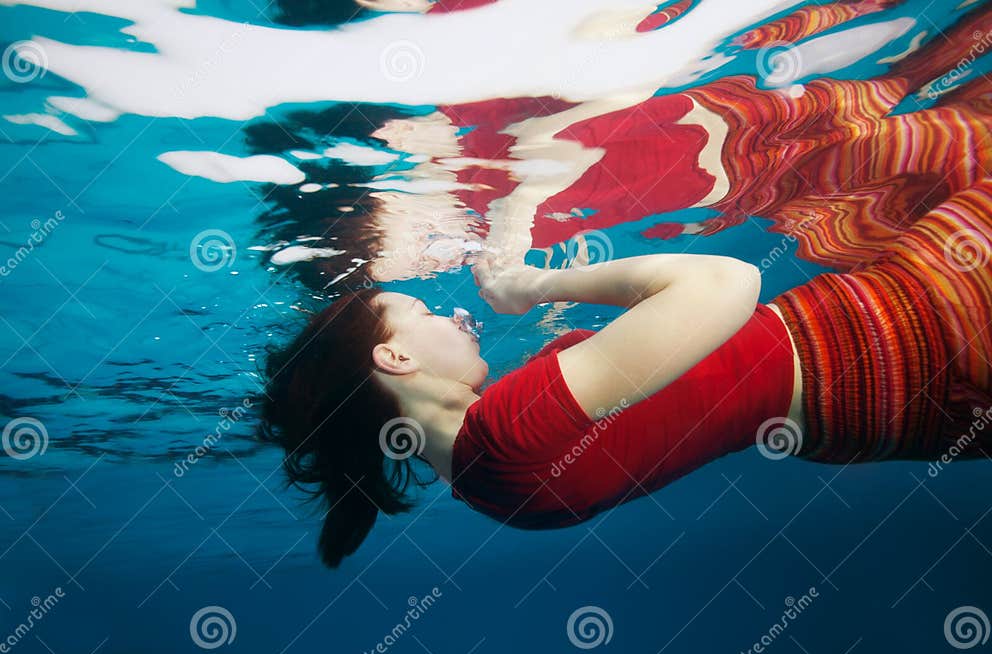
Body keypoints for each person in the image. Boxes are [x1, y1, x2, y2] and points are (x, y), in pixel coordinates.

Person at [257, 178, 992, 569]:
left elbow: (636, 419)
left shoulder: (483, 482)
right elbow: (728, 285)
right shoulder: (509, 431)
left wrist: (560, 332)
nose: (450, 317)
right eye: (420, 313)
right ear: (395, 358)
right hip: (892, 337)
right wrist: (534, 289)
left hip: (875, 409)